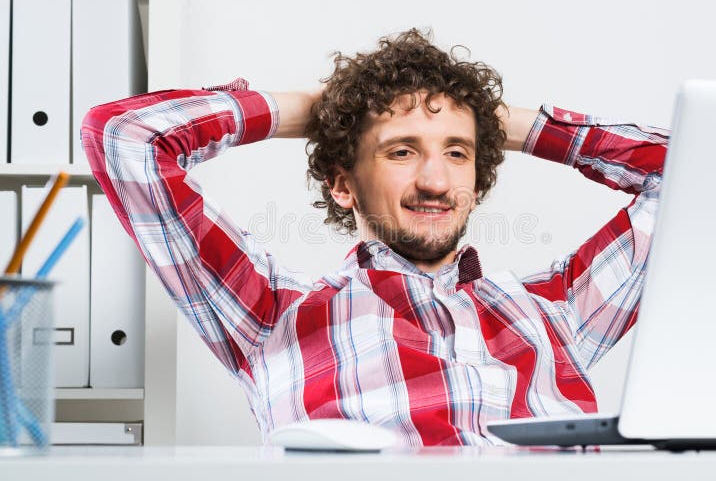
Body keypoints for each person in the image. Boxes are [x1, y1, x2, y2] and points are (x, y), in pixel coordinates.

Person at [81, 28, 668, 446]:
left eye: (457, 154)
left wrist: (496, 121)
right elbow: (123, 137)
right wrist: (315, 112)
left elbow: (692, 172)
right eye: (402, 151)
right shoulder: (271, 314)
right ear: (343, 184)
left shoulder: (556, 311)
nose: (436, 180)